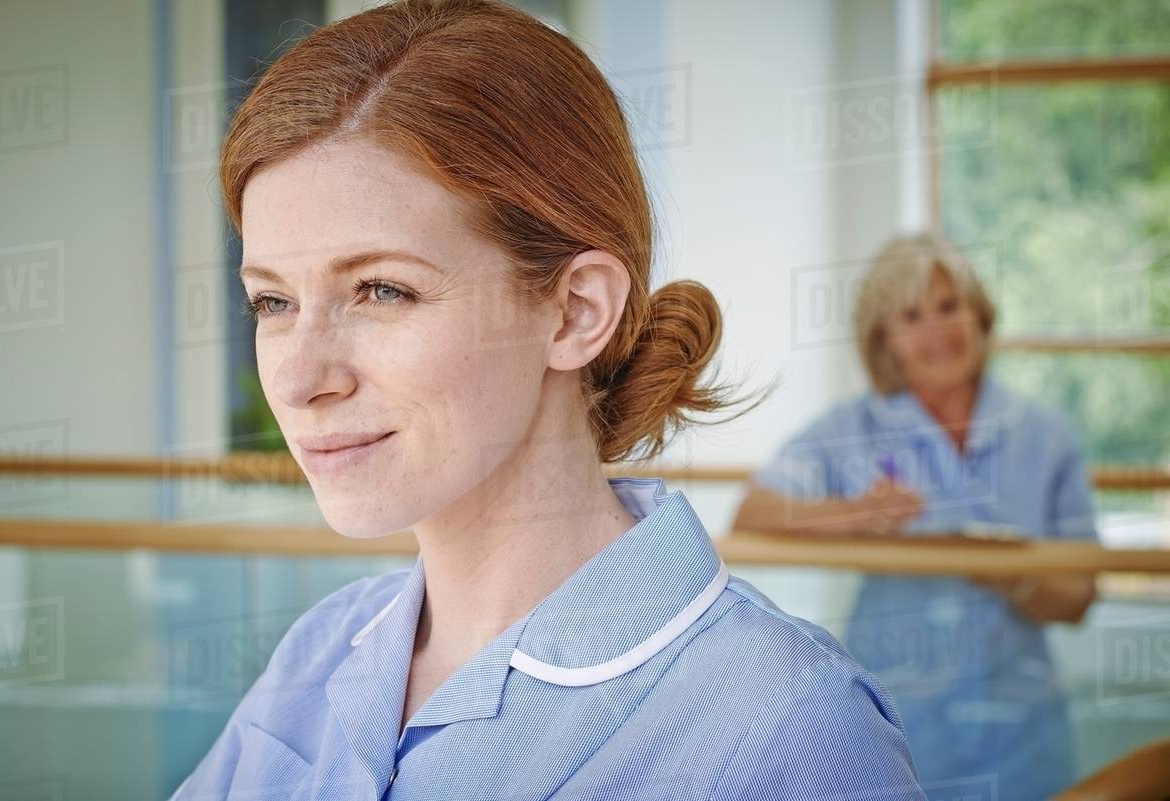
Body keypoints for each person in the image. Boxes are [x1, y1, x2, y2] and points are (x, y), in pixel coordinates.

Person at [169, 2, 928, 799]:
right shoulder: (321, 649)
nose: (298, 380)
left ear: (575, 312)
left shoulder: (787, 726)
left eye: (382, 290)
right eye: (273, 302)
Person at [734, 231, 1098, 801]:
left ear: (979, 313)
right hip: (894, 729)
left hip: (1022, 737)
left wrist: (1011, 574)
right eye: (911, 317)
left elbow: (1079, 596)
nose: (937, 331)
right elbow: (753, 514)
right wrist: (854, 513)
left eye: (949, 307)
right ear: (884, 339)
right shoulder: (850, 429)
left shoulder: (1046, 434)